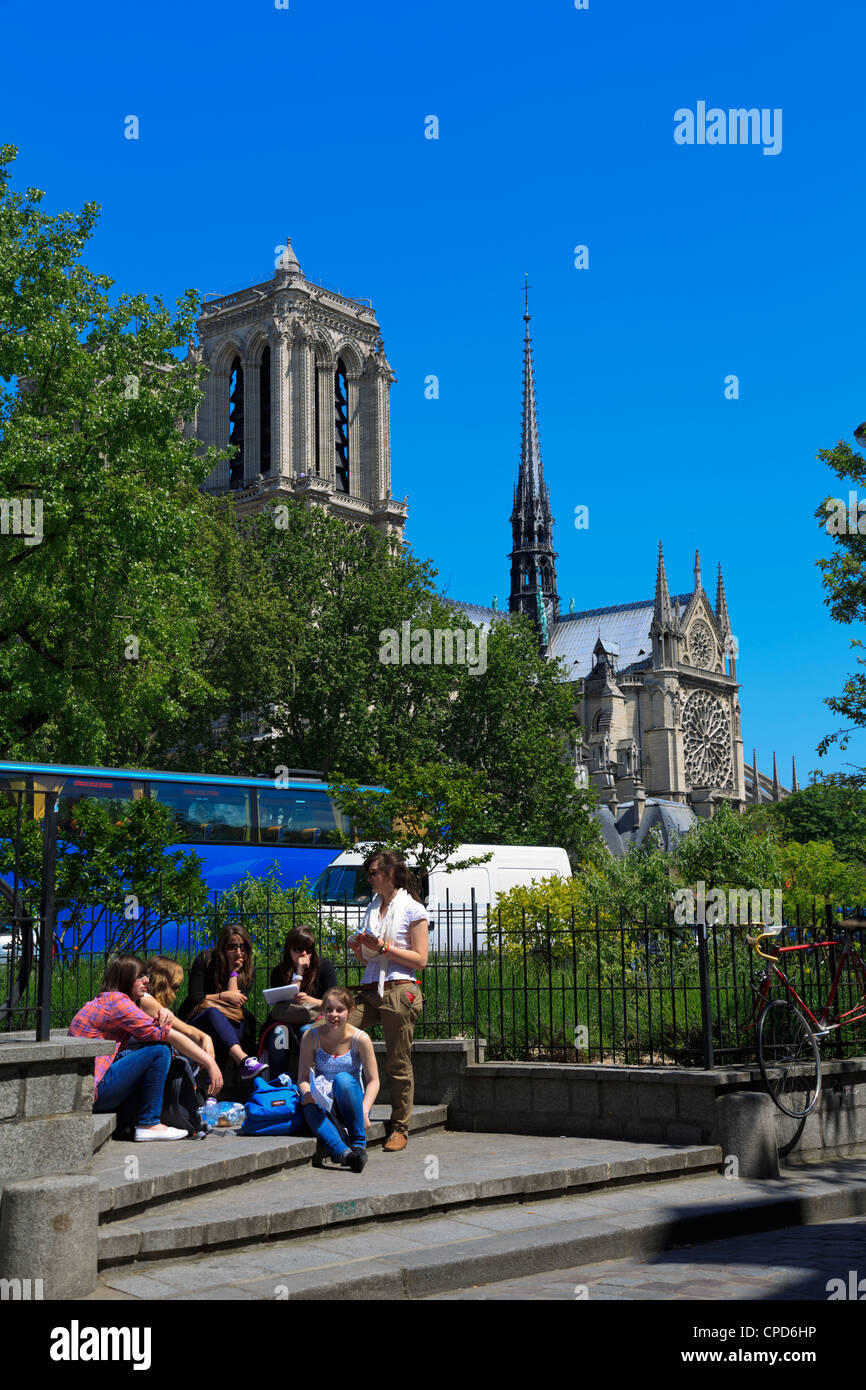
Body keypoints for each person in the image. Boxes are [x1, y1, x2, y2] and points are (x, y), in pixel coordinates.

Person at [347, 851, 428, 1152]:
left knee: (398, 1061)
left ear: (390, 873)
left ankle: (400, 1128)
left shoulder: (412, 908)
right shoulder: (372, 908)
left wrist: (383, 946)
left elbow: (420, 960)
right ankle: (345, 1106)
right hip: (371, 988)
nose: (369, 877)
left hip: (399, 989)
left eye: (373, 872)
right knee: (336, 1030)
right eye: (368, 873)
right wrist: (359, 947)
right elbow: (369, 958)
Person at [68, 955, 190, 1140]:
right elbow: (166, 1035)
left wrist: (165, 1013)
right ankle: (149, 1123)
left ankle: (136, 1122)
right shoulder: (118, 1002)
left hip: (83, 1089)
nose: (147, 980)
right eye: (140, 977)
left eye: (146, 976)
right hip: (93, 1091)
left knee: (149, 1052)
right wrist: (209, 1063)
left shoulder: (110, 1000)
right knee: (160, 1050)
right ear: (125, 979)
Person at [298, 987, 378, 1172]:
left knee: (342, 1079)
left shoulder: (361, 1038)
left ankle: (358, 1143)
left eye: (339, 1010)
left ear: (350, 1012)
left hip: (351, 1100)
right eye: (329, 1010)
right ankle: (345, 1155)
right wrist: (307, 1092)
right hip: (325, 1099)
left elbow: (374, 1080)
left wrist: (364, 1111)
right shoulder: (311, 1036)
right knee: (307, 1105)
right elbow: (302, 1077)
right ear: (323, 1011)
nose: (333, 1015)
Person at [179, 926, 266, 1081]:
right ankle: (244, 1061)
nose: (239, 952)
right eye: (233, 947)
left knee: (227, 1029)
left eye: (243, 947)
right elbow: (194, 996)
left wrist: (233, 974)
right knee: (214, 1014)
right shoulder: (205, 959)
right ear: (223, 948)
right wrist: (222, 995)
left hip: (225, 1023)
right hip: (199, 1020)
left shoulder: (246, 970)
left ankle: (211, 1095)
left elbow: (234, 1006)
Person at [136, 955, 224, 1097]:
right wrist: (206, 1039)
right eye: (175, 986)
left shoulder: (149, 1003)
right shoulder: (146, 1000)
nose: (177, 991)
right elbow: (186, 1031)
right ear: (163, 983)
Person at [258, 928, 338, 1080]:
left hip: (313, 1019)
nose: (304, 954)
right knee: (278, 1034)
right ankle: (279, 1084)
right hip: (286, 1020)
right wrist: (299, 973)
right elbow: (286, 1000)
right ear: (289, 950)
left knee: (307, 1032)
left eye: (309, 949)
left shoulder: (324, 967)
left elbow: (335, 1002)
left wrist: (310, 1001)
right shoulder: (278, 972)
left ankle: (313, 1082)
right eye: (298, 949)